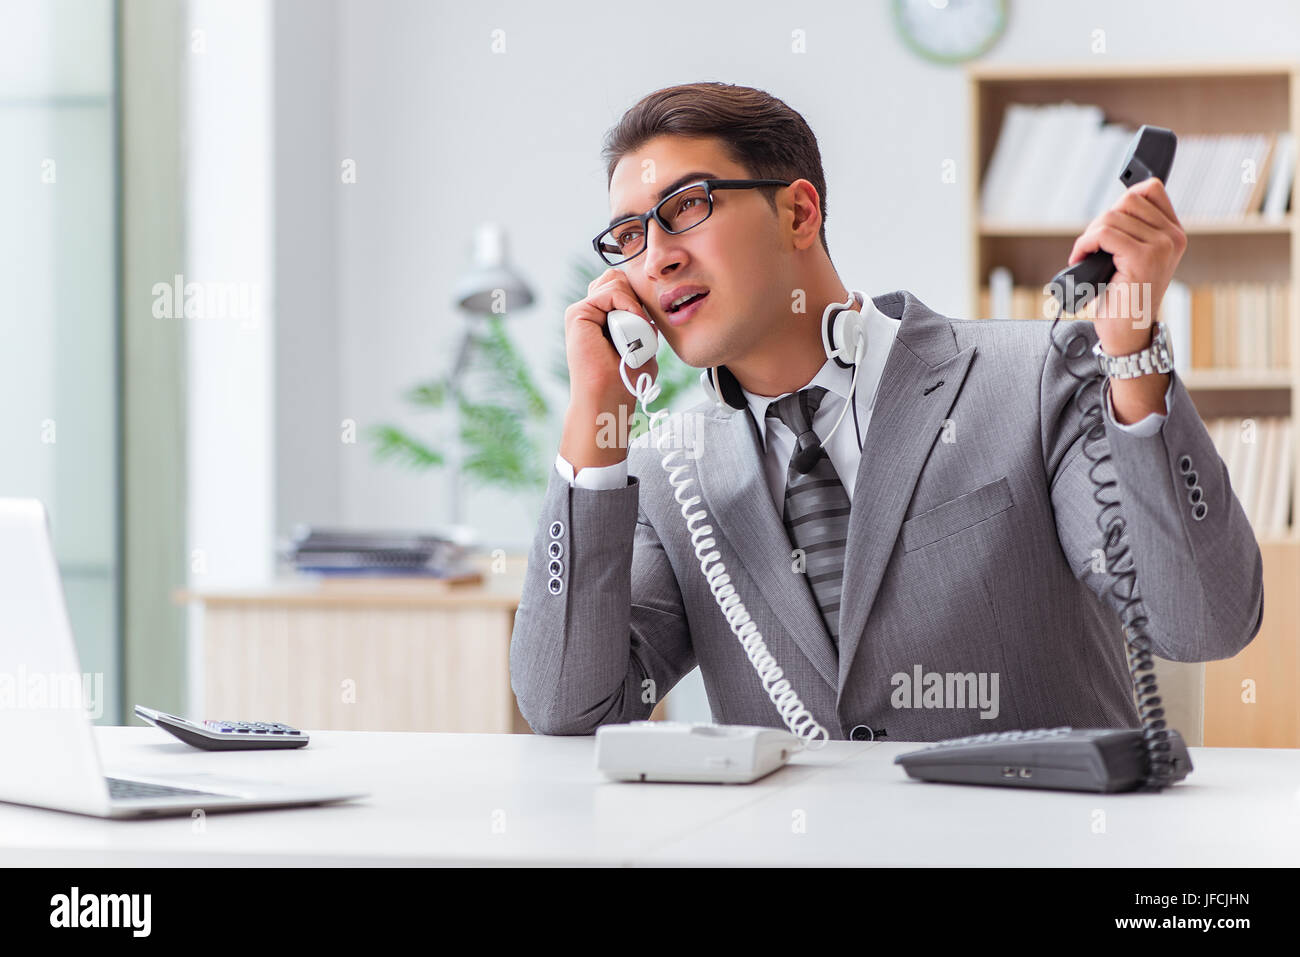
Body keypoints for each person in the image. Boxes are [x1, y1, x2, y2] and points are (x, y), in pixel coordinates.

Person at [509, 81, 1263, 741]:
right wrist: (593, 424)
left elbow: (1201, 621)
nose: (657, 258)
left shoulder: (1034, 376)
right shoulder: (667, 472)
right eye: (631, 236)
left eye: (687, 207)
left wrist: (1131, 355)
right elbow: (566, 707)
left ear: (798, 213)